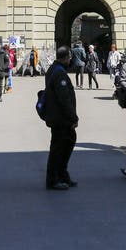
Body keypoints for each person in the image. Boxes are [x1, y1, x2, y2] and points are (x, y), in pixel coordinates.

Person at [44, 45, 78, 190]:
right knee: (59, 148)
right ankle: (53, 179)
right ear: (65, 58)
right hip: (61, 118)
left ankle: (62, 175)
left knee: (65, 143)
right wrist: (73, 117)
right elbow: (64, 99)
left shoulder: (53, 69)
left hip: (57, 116)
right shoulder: (59, 74)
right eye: (69, 57)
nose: (70, 59)